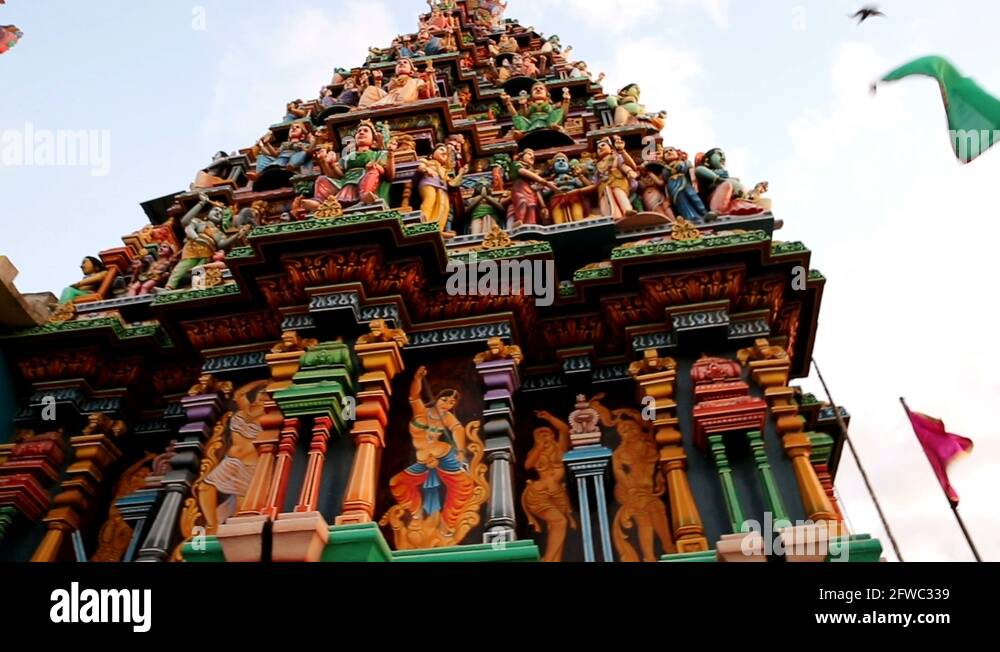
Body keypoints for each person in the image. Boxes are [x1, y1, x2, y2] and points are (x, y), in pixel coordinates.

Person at [389, 366, 475, 535]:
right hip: (423, 459)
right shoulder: (422, 412)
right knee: (397, 483)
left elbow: (458, 430)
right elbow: (414, 396)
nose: (447, 404)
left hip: (444, 455)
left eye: (452, 403)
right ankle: (416, 514)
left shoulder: (448, 418)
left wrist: (460, 451)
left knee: (463, 486)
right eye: (444, 400)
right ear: (436, 398)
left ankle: (449, 522)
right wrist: (418, 379)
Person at [197, 381, 269, 534]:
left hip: (249, 466)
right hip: (230, 461)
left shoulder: (269, 416)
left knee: (240, 511)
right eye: (262, 392)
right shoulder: (245, 409)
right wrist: (262, 382)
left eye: (268, 394)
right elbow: (239, 394)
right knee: (204, 487)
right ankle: (212, 524)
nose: (263, 395)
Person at [522, 410, 577, 562]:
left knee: (555, 526)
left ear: (552, 436)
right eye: (540, 435)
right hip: (539, 493)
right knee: (560, 522)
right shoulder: (535, 452)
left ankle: (555, 559)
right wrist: (539, 448)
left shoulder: (560, 449)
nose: (544, 437)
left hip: (558, 493)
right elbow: (528, 465)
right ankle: (548, 558)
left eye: (546, 434)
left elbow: (565, 430)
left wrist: (550, 417)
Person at [312, 120, 397, 207]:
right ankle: (319, 202)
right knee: (322, 179)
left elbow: (389, 176)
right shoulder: (347, 157)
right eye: (359, 131)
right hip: (344, 182)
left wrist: (388, 156)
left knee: (373, 171)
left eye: (365, 130)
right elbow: (338, 176)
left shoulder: (379, 154)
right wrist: (330, 164)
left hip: (366, 179)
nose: (361, 132)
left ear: (374, 141)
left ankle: (366, 194)